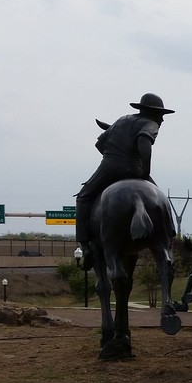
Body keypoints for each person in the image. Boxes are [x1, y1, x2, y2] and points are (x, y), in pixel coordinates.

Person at [76, 93, 175, 270]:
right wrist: (145, 171)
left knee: (83, 198)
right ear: (152, 113)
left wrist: (113, 157)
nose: (162, 120)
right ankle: (169, 234)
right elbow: (144, 143)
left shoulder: (121, 121)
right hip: (136, 170)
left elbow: (99, 144)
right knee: (161, 200)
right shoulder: (150, 124)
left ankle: (85, 247)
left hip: (109, 168)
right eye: (160, 115)